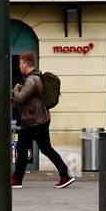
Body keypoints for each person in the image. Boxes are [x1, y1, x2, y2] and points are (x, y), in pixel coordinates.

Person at [10, 52, 75, 189]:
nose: (19, 67)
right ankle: (65, 175)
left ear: (25, 64)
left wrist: (16, 89)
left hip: (33, 120)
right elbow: (28, 100)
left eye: (20, 64)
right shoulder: (35, 77)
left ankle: (16, 179)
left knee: (22, 148)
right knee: (46, 148)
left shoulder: (31, 80)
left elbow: (21, 97)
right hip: (41, 119)